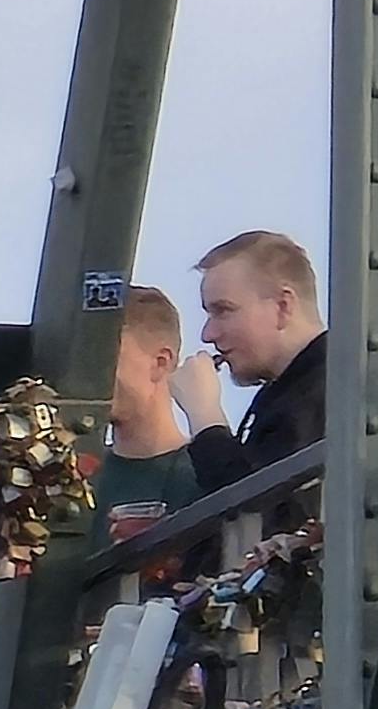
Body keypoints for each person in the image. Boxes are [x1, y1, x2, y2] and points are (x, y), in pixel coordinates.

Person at [99, 278, 214, 560]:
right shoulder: (72, 480)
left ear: (160, 362)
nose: (93, 376)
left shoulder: (207, 473)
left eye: (106, 358)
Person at [197, 226, 325, 474]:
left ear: (283, 306)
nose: (207, 334)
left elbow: (254, 505)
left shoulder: (327, 393)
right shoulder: (286, 392)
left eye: (223, 310)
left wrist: (205, 416)